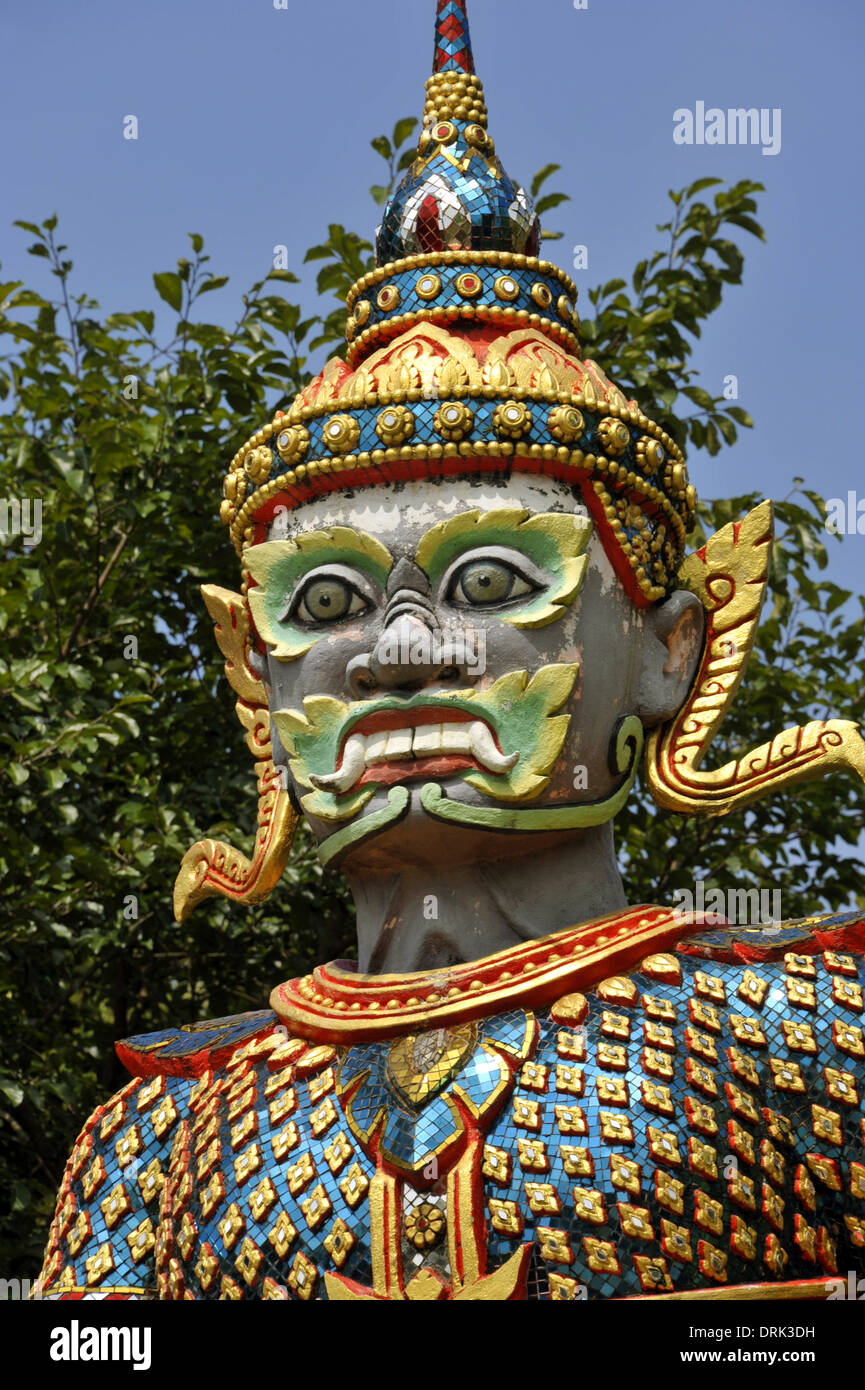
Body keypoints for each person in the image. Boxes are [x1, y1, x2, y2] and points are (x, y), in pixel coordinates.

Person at [37, 0, 865, 1301]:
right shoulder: (162, 1131)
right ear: (254, 669)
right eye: (323, 602)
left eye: (487, 579)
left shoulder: (803, 1039)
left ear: (670, 646)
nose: (396, 654)